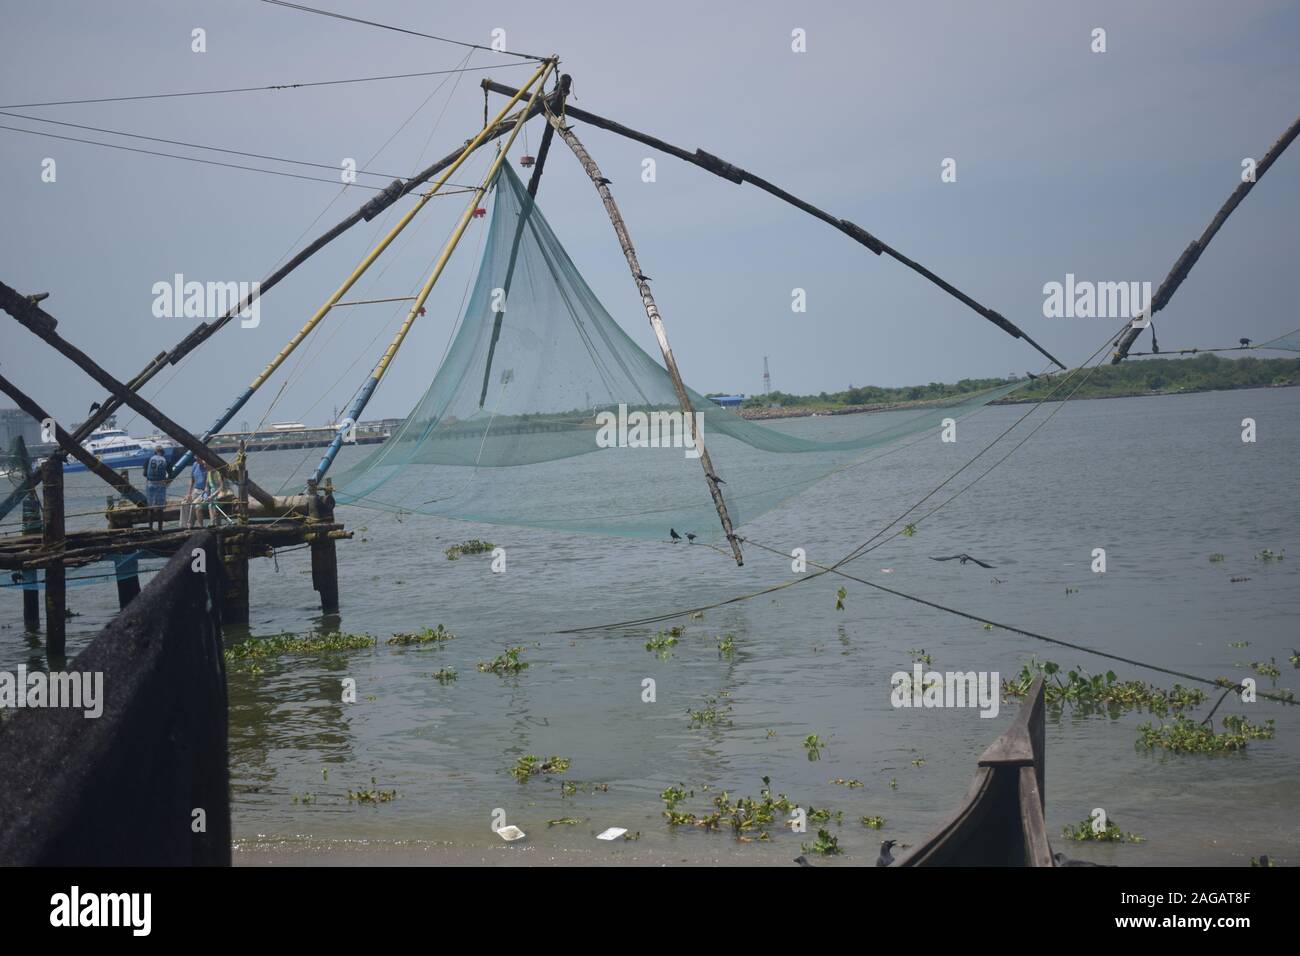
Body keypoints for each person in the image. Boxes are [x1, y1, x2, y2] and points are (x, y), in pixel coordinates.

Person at [144, 445, 169, 530]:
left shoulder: (149, 460)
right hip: (161, 485)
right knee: (160, 509)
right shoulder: (166, 460)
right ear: (163, 453)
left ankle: (150, 528)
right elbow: (170, 474)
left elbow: (145, 474)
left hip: (150, 485)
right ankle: (160, 529)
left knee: (150, 508)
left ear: (155, 452)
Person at [187, 458, 209, 528]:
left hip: (204, 491)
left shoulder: (207, 466)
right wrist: (189, 494)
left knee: (194, 504)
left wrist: (205, 494)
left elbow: (207, 485)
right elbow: (192, 480)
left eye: (198, 459)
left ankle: (195, 525)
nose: (197, 460)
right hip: (196, 490)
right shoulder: (195, 464)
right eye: (196, 459)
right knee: (185, 502)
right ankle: (185, 525)